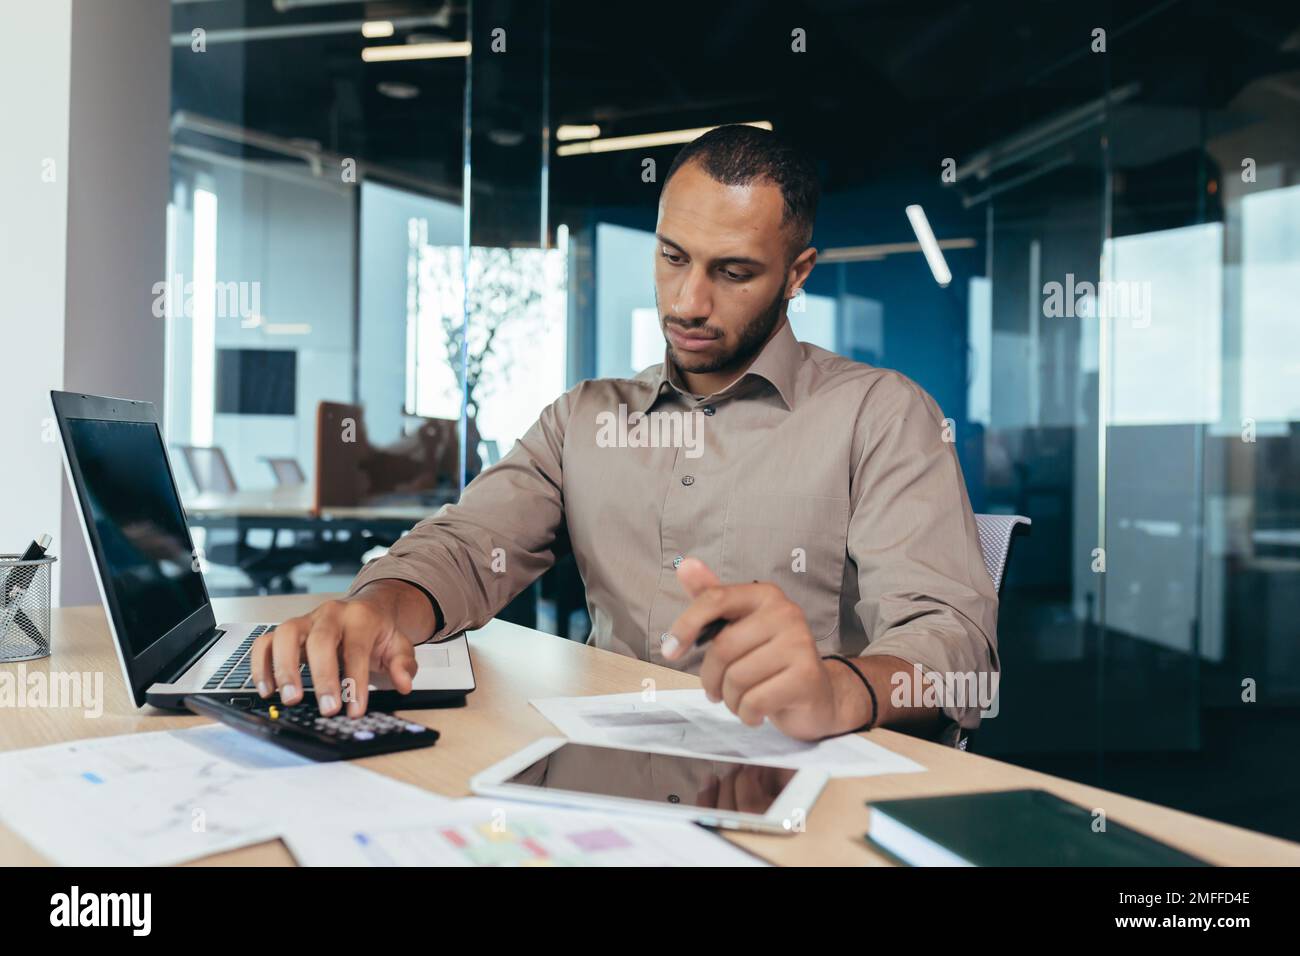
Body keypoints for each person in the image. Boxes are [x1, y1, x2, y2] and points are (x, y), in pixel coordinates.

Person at [250, 124, 998, 746]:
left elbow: (955, 643)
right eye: (672, 257)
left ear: (797, 273)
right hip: (604, 763)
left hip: (798, 781)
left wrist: (836, 691)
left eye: (734, 271)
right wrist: (378, 611)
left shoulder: (881, 415)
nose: (688, 301)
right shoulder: (584, 417)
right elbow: (466, 548)